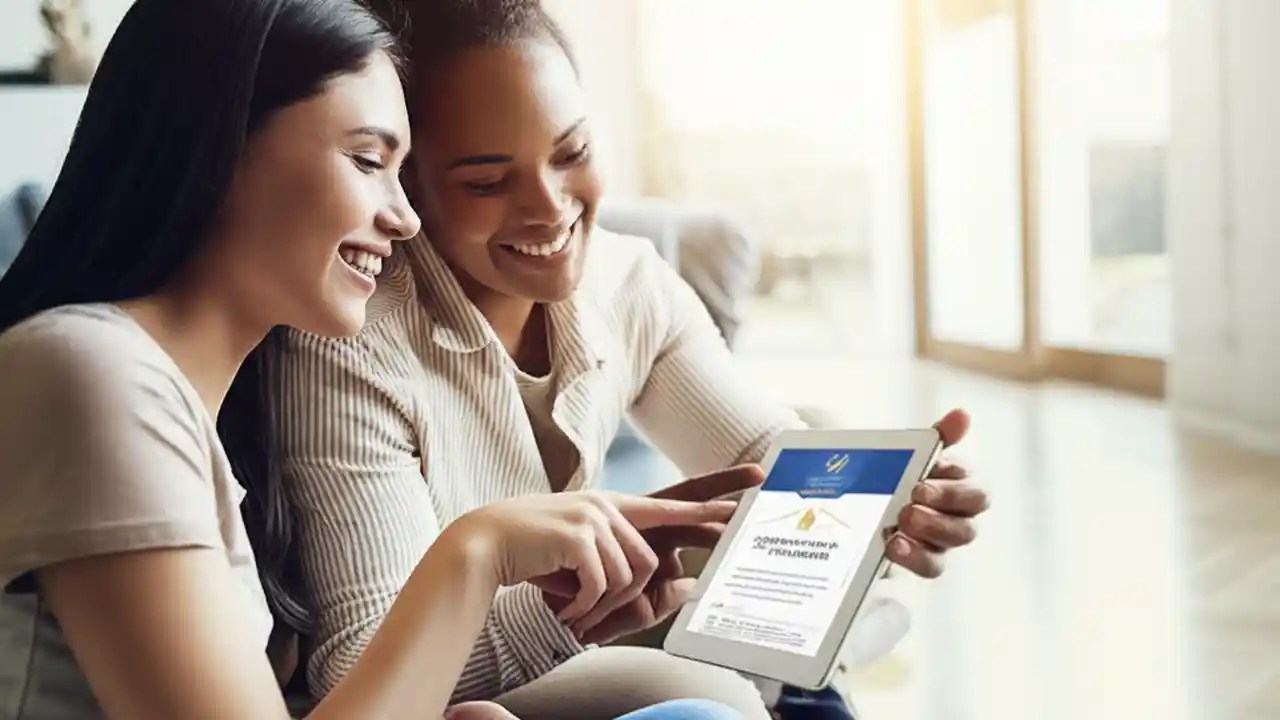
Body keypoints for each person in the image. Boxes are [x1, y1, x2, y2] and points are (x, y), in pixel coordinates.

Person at [0, 1, 746, 719]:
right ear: (219, 149)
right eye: (367, 161)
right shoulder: (90, 373)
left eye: (403, 170)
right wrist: (478, 549)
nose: (406, 218)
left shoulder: (204, 419)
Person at [271, 1, 991, 719]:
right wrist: (573, 604)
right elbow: (362, 667)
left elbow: (764, 459)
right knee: (718, 690)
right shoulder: (353, 339)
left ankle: (803, 669)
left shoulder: (627, 281)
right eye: (486, 183)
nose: (549, 207)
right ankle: (800, 679)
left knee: (819, 477)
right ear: (408, 185)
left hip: (580, 620)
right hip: (439, 678)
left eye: (572, 152)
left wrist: (896, 505)